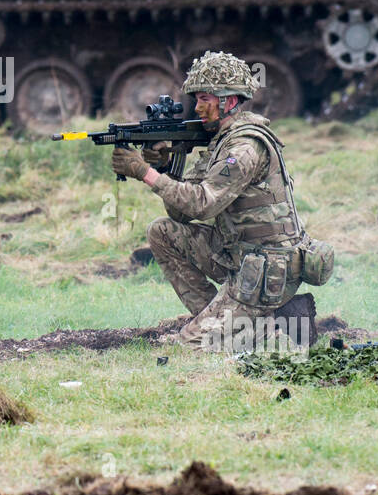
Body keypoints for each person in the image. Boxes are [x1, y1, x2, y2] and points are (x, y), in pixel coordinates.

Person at [110, 50, 329, 350]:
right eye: (197, 99)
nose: (197, 107)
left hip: (267, 271)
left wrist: (145, 173)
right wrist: (163, 168)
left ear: (229, 100)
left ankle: (271, 331)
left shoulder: (244, 147)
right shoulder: (220, 141)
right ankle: (218, 319)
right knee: (161, 232)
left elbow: (203, 204)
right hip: (238, 254)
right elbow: (182, 215)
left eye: (205, 99)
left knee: (187, 347)